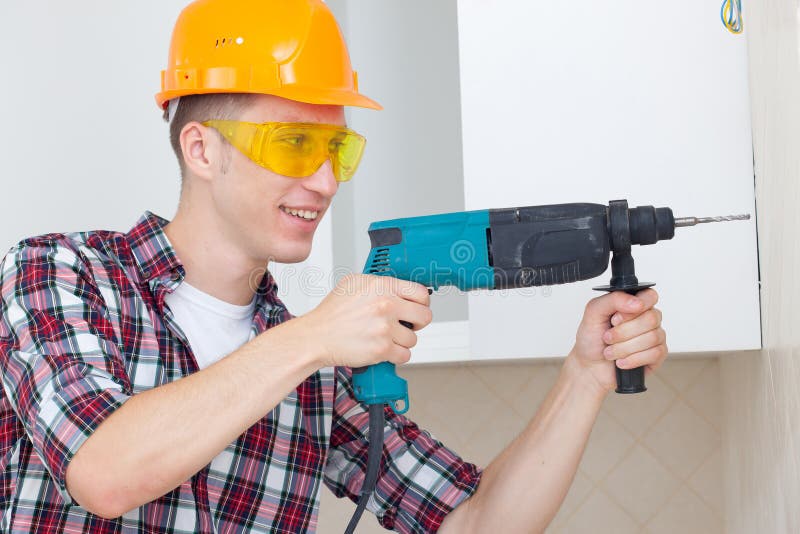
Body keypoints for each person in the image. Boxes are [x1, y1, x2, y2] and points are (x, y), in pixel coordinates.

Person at [0, 0, 668, 532]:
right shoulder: (58, 274)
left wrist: (584, 377)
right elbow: (103, 472)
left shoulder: (316, 372)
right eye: (293, 144)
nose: (324, 182)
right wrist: (314, 337)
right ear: (202, 150)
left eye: (338, 150)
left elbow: (475, 523)